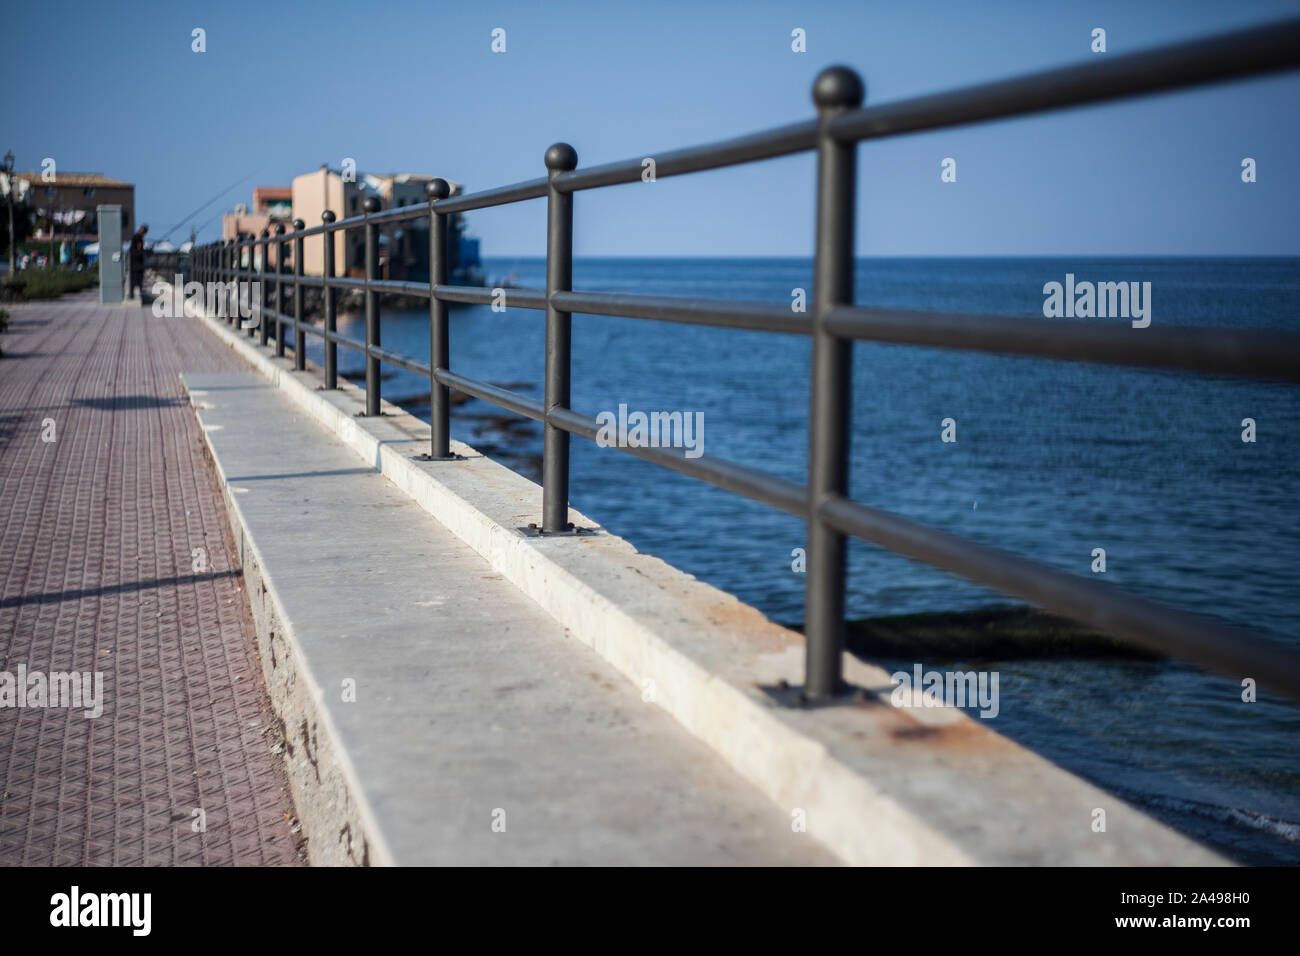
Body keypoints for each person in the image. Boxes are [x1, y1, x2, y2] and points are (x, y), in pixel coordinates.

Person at [128, 224, 148, 299]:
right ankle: (134, 293)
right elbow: (138, 249)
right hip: (136, 262)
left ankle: (134, 293)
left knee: (136, 278)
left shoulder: (137, 237)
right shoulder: (138, 238)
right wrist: (143, 252)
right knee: (136, 278)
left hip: (136, 261)